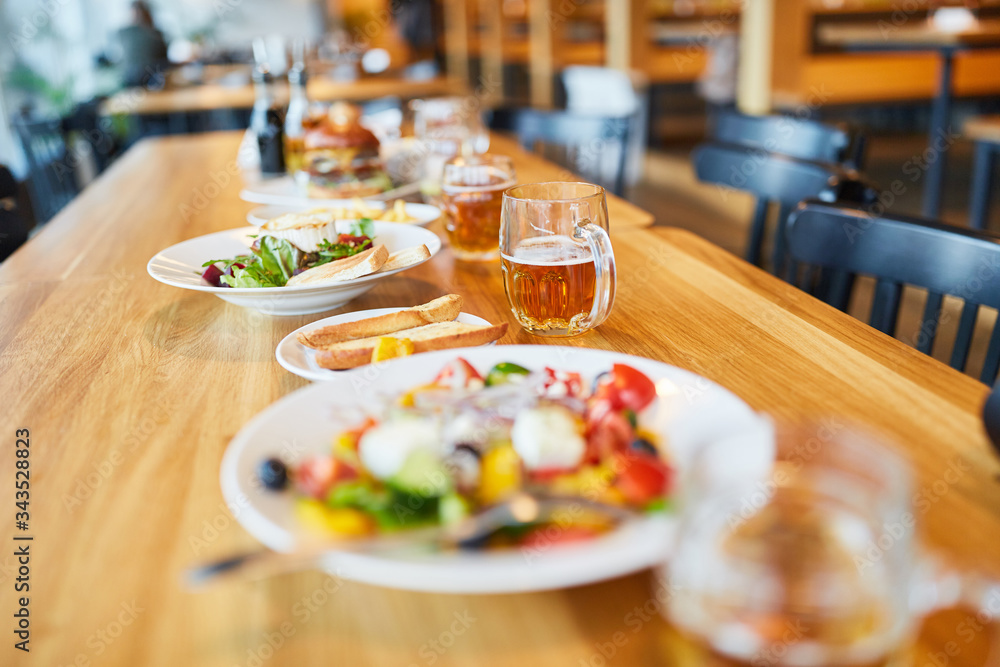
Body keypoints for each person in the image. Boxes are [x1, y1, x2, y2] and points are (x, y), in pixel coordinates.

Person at [116, 1, 168, 88]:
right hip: (152, 80)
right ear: (148, 14)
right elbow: (165, 57)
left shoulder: (123, 33)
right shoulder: (156, 33)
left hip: (129, 80)